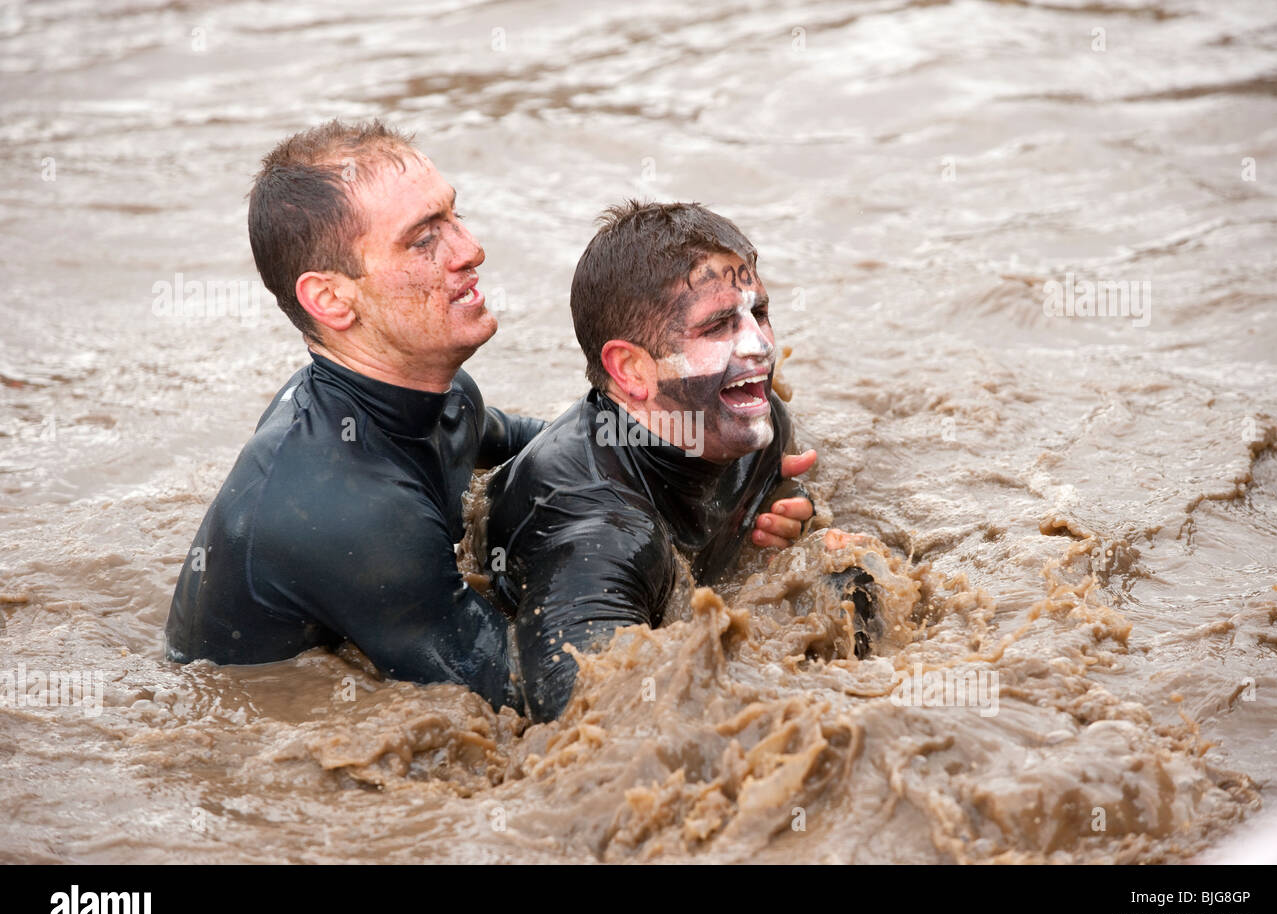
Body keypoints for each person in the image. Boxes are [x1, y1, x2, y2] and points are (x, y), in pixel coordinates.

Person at [165, 120, 807, 712]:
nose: (470, 249)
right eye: (424, 239)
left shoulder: (440, 399)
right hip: (245, 726)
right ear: (331, 299)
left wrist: (717, 484)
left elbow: (554, 443)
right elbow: (544, 703)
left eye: (455, 216)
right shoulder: (347, 508)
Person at [485, 200, 816, 721]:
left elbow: (786, 513)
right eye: (720, 326)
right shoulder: (596, 530)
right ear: (632, 369)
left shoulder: (755, 422)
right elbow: (593, 727)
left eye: (761, 313)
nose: (760, 346)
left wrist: (793, 526)